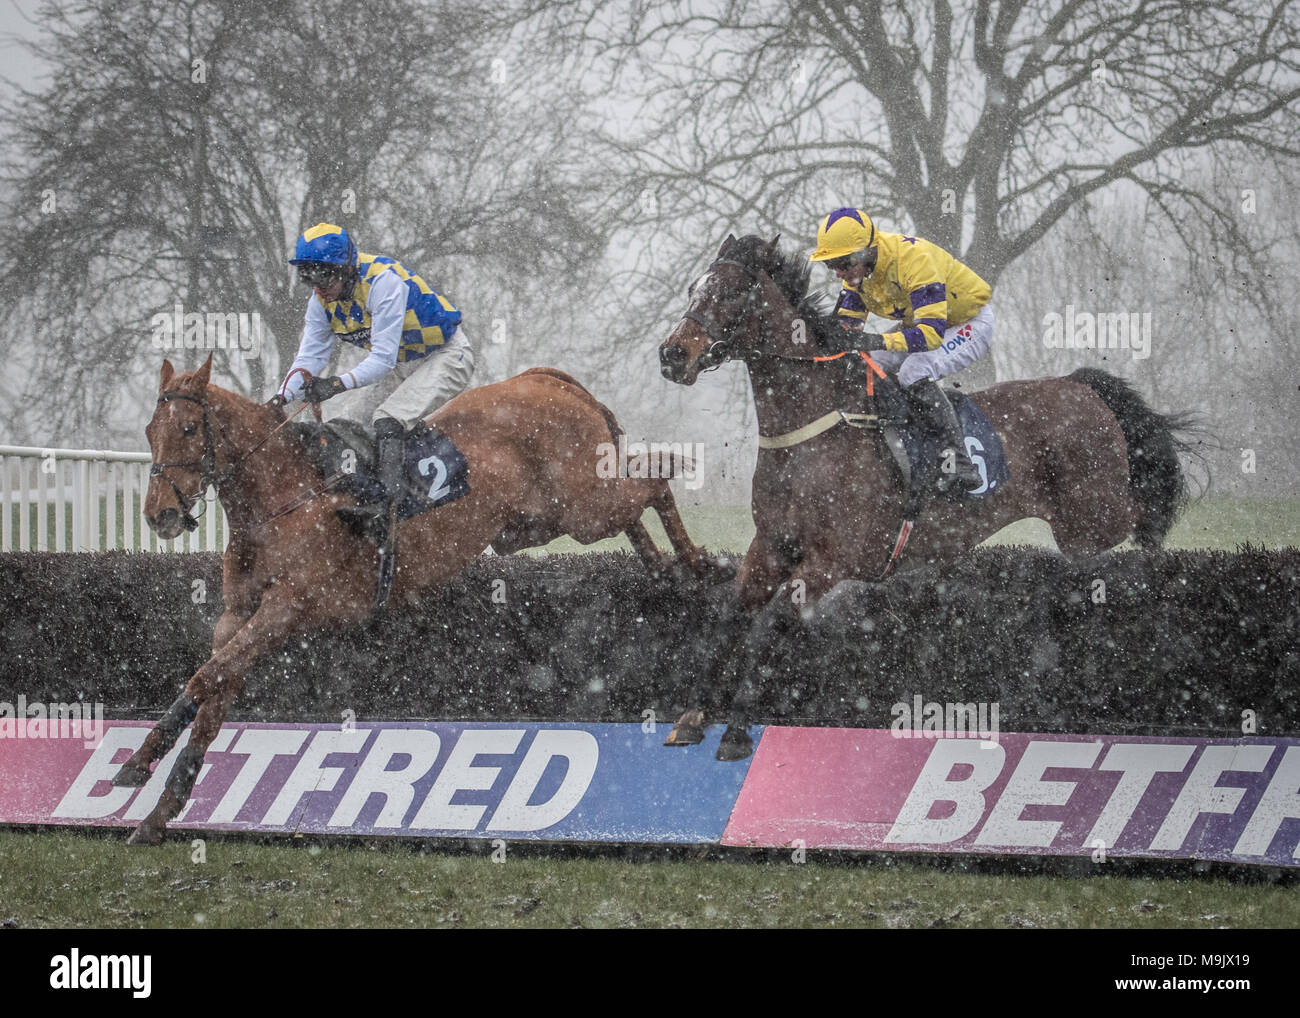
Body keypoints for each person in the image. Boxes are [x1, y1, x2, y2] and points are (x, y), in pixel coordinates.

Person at [273, 222, 475, 532]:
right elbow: (309, 358)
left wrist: (336, 384)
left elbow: (381, 359)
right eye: (308, 277)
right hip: (404, 362)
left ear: (347, 267)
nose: (318, 287)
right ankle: (356, 495)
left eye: (324, 276)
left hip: (446, 355)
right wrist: (280, 399)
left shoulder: (383, 282)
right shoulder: (320, 304)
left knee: (387, 419)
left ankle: (385, 508)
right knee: (349, 424)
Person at [809, 207, 992, 494]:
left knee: (913, 370)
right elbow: (845, 334)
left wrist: (876, 341)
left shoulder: (914, 261)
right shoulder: (856, 278)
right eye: (831, 264)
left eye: (843, 263)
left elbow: (930, 336)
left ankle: (960, 461)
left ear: (865, 252)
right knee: (871, 363)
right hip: (924, 325)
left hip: (968, 323)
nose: (838, 273)